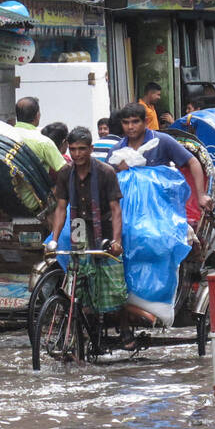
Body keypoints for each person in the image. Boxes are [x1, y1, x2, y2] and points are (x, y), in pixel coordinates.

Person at [48, 127, 134, 343]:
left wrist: (116, 241)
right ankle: (89, 329)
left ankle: (124, 329)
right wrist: (54, 240)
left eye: (82, 149)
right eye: (73, 149)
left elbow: (115, 210)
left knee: (113, 280)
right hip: (78, 225)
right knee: (80, 280)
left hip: (103, 225)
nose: (77, 154)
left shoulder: (106, 172)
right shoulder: (65, 173)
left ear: (90, 149)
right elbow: (60, 208)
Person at [108, 102, 213, 212]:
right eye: (126, 123)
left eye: (135, 122)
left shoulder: (161, 141)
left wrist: (201, 196)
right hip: (129, 213)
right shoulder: (117, 151)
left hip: (161, 211)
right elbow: (107, 182)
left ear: (146, 121)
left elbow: (193, 162)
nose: (130, 127)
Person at [13, 96, 68, 174]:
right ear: (37, 115)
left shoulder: (6, 134)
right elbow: (64, 170)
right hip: (36, 186)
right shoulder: (43, 142)